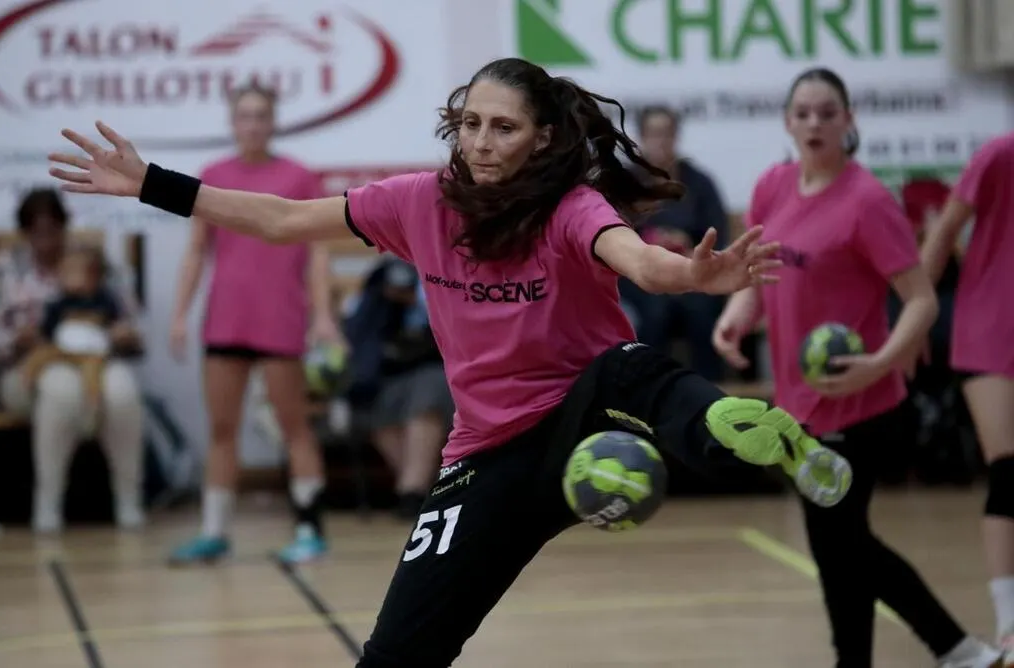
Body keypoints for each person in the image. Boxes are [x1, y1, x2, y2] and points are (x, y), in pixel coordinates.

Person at [49, 57, 855, 667]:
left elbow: (640, 265)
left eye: (502, 128)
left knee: (623, 363)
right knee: (395, 656)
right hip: (486, 457)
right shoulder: (418, 202)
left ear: (543, 136)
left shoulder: (573, 206)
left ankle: (739, 430)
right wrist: (150, 182)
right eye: (470, 123)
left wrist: (693, 276)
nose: (481, 142)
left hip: (581, 416)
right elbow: (283, 220)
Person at [712, 67, 1004, 668]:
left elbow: (921, 300)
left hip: (862, 406)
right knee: (840, 546)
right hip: (799, 406)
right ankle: (955, 650)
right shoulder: (772, 186)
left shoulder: (867, 200)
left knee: (840, 542)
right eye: (803, 113)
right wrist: (740, 312)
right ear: (788, 123)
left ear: (849, 122)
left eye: (827, 112)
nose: (815, 123)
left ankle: (953, 649)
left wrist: (879, 365)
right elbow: (761, 277)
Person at [166, 82, 343, 566]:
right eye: (244, 115)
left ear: (273, 121)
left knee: (294, 426)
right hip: (225, 321)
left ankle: (310, 529)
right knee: (222, 428)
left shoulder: (299, 177)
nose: (252, 124)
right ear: (232, 121)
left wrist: (323, 315)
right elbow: (197, 251)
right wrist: (180, 315)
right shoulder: (213, 175)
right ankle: (214, 531)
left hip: (280, 321)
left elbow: (317, 253)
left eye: (261, 115)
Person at [0, 188, 144, 533]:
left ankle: (129, 502)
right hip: (28, 365)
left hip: (97, 358)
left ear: (64, 226)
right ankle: (48, 505)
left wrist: (122, 332)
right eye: (36, 232)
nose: (45, 240)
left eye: (52, 230)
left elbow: (130, 321)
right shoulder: (3, 269)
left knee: (122, 392)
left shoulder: (94, 263)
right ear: (26, 232)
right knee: (62, 389)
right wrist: (18, 339)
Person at [920, 130, 1014, 661]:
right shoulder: (999, 154)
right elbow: (946, 231)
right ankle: (1009, 621)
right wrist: (917, 316)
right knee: (1008, 469)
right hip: (991, 328)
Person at [619, 104, 730, 381]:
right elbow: (611, 233)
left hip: (691, 272)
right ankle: (647, 390)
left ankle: (709, 395)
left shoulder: (699, 182)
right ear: (641, 138)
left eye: (667, 133)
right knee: (656, 312)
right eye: (654, 134)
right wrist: (651, 243)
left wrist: (690, 247)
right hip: (638, 274)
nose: (661, 141)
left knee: (701, 310)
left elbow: (720, 235)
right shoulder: (624, 181)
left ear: (676, 136)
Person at [343, 256, 452, 519]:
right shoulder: (376, 287)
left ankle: (412, 491)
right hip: (390, 375)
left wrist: (418, 302)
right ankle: (423, 493)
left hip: (439, 370)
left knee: (426, 397)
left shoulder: (441, 276)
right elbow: (358, 334)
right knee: (380, 409)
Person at [21, 245, 130, 423]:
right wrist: (34, 334)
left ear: (94, 276)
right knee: (40, 354)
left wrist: (120, 333)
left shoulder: (105, 300)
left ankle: (93, 402)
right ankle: (28, 377)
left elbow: (115, 324)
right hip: (62, 349)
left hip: (93, 353)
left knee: (93, 373)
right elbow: (46, 329)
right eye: (63, 272)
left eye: (71, 272)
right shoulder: (59, 302)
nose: (64, 277)